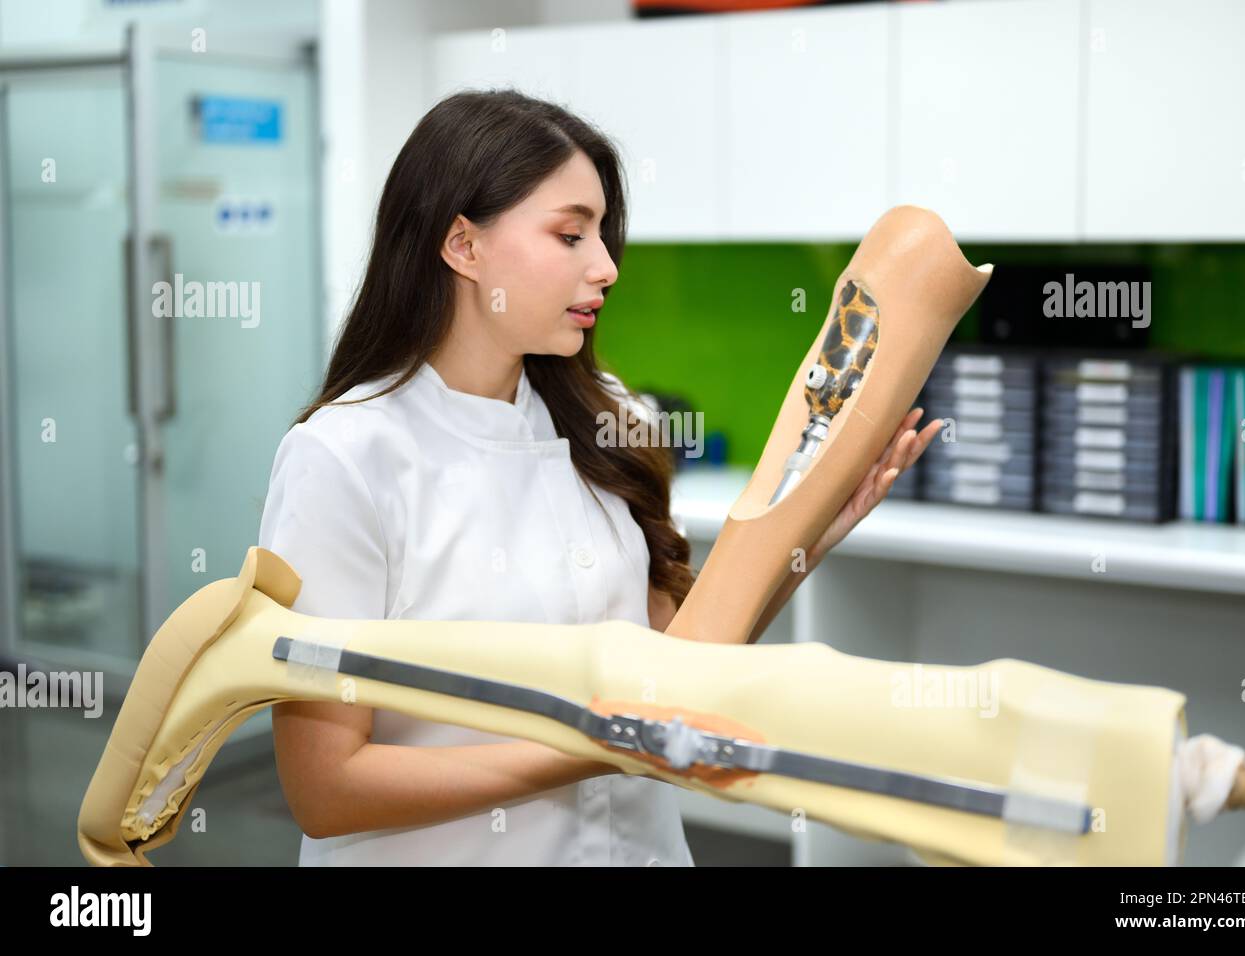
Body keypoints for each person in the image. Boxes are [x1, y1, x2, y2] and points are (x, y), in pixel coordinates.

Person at [258, 89, 935, 866]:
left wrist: (812, 530)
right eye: (571, 234)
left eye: (603, 237)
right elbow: (326, 788)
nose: (606, 267)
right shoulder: (346, 457)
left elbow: (683, 658)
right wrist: (611, 742)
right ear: (463, 246)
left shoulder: (606, 417)